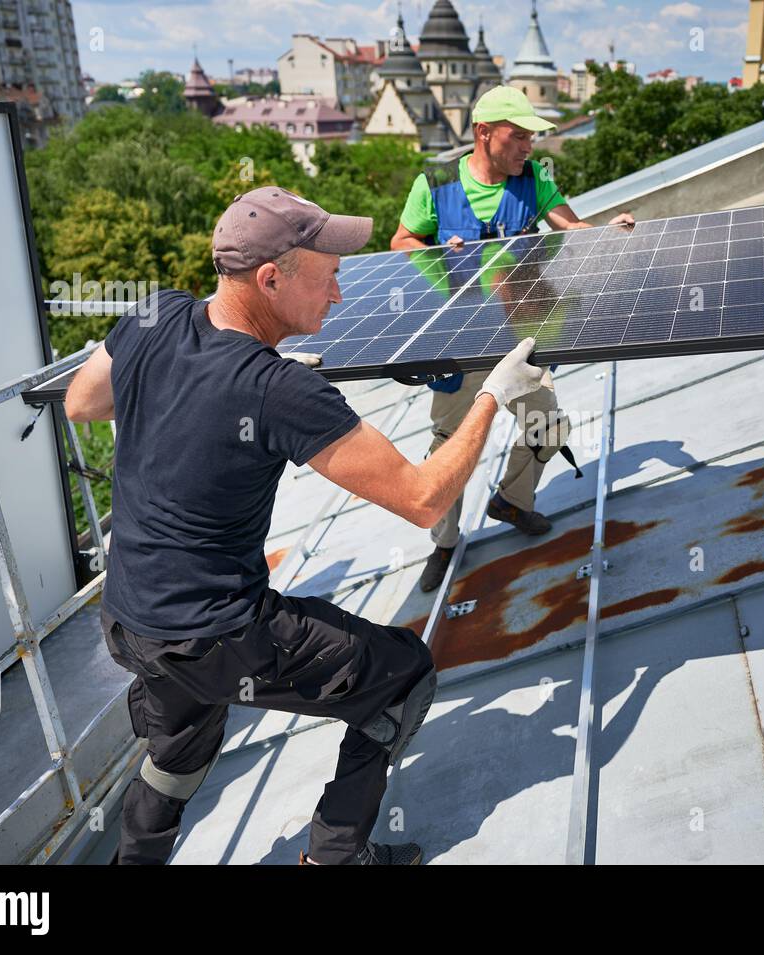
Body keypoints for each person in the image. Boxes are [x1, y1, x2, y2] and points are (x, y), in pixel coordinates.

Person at [64, 186, 545, 865]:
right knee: (402, 675)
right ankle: (336, 856)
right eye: (330, 278)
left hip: (131, 617)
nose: (341, 296)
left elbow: (84, 402)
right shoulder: (279, 391)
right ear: (270, 278)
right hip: (216, 632)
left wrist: (207, 395)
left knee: (178, 750)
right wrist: (495, 392)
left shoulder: (158, 313)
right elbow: (425, 499)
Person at [390, 85, 634, 592]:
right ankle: (445, 541)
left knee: (547, 426)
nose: (529, 147)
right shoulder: (434, 184)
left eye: (532, 137)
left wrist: (606, 231)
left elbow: (572, 226)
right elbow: (402, 241)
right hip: (462, 338)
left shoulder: (536, 179)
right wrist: (439, 255)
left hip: (524, 332)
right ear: (484, 133)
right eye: (518, 136)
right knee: (448, 448)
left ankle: (512, 502)